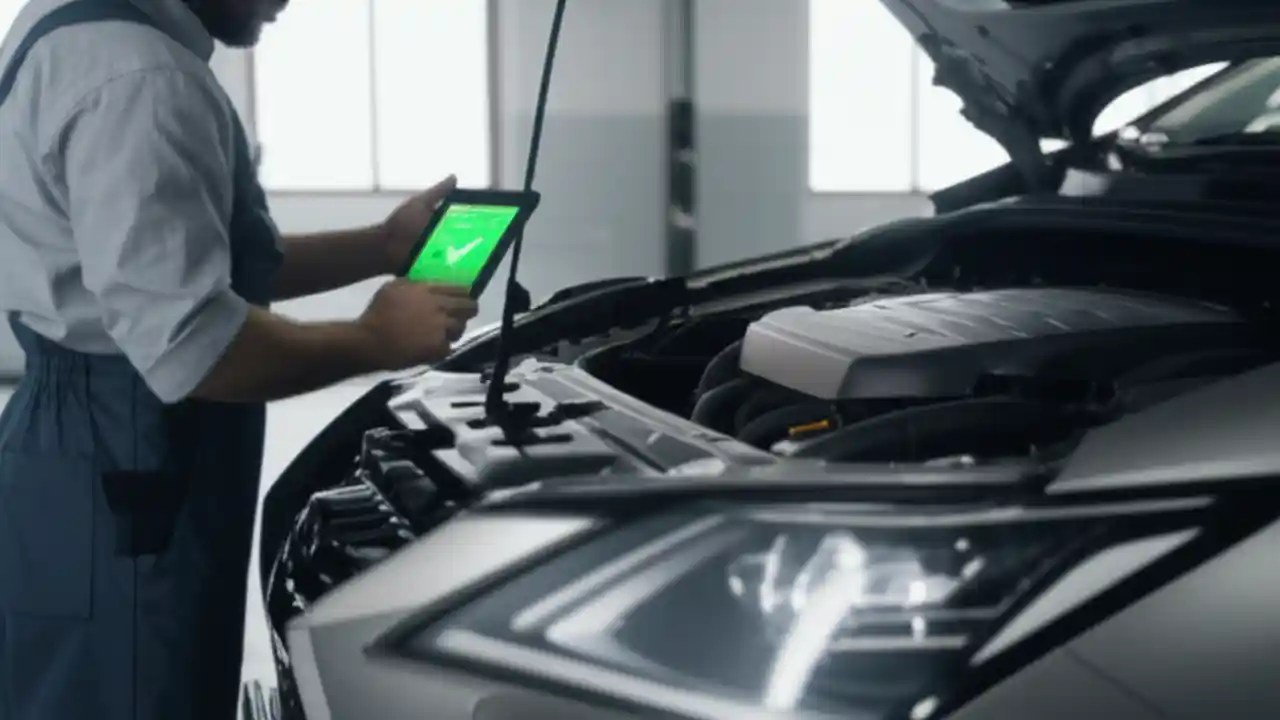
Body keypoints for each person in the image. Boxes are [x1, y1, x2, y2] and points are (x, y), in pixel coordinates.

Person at [0, 0, 479, 717]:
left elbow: (198, 264)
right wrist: (374, 339)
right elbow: (195, 349)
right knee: (138, 692)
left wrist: (383, 246)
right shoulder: (140, 77)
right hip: (131, 464)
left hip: (85, 450)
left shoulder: (80, 29)